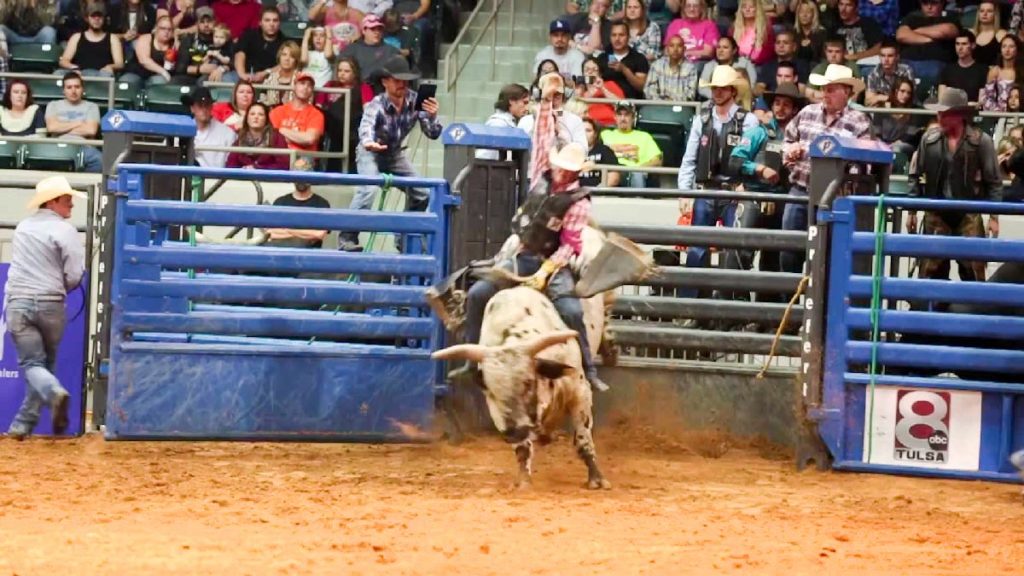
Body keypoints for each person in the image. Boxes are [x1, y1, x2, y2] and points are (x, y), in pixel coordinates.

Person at [447, 143, 610, 393]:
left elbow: (569, 244)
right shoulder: (542, 178)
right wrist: (545, 103)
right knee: (478, 294)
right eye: (562, 168)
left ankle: (588, 370)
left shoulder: (578, 202)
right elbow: (542, 135)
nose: (563, 173)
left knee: (572, 311)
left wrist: (547, 270)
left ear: (577, 173)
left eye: (570, 171)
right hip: (521, 254)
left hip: (553, 260)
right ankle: (473, 361)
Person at [4, 175, 86, 440]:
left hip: (19, 300)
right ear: (53, 202)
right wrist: (62, 286)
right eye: (67, 201)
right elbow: (75, 273)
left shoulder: (23, 228)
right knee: (43, 366)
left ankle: (24, 423)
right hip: (50, 302)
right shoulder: (65, 231)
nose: (71, 206)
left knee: (33, 365)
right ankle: (30, 417)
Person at [338, 56, 441, 252]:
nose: (402, 84)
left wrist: (433, 116)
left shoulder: (415, 100)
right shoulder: (376, 104)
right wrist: (369, 142)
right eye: (397, 80)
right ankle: (347, 239)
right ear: (385, 82)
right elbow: (365, 128)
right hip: (370, 151)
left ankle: (403, 235)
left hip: (393, 152)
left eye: (405, 80)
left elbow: (432, 133)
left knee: (422, 193)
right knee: (368, 189)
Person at [781, 64, 871, 274]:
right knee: (789, 251)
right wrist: (790, 150)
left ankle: (823, 305)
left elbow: (865, 164)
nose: (825, 94)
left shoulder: (859, 122)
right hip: (800, 191)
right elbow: (786, 141)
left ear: (847, 92)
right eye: (824, 89)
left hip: (835, 199)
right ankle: (790, 300)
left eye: (831, 89)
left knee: (830, 257)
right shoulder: (807, 113)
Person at [907, 88, 1002, 283]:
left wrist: (994, 216)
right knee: (929, 273)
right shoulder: (928, 139)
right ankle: (929, 309)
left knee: (974, 272)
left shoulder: (981, 142)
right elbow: (915, 174)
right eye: (939, 112)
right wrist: (911, 211)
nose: (939, 116)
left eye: (944, 113)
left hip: (969, 211)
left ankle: (974, 311)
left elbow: (993, 180)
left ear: (958, 115)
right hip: (936, 210)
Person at [726, 81, 805, 310]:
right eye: (777, 103)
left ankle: (767, 314)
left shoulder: (799, 139)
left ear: (794, 109)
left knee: (775, 259)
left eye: (786, 104)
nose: (780, 108)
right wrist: (759, 169)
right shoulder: (759, 132)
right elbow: (734, 160)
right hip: (755, 197)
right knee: (741, 253)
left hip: (783, 201)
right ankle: (735, 311)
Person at [265, 157, 332, 248]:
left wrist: (287, 231)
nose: (300, 180)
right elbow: (272, 233)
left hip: (309, 255)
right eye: (297, 175)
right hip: (281, 252)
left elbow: (319, 235)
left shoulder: (321, 204)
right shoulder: (281, 202)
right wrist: (305, 234)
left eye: (304, 174)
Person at [44, 72, 102, 173]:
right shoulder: (53, 105)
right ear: (63, 90)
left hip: (84, 146)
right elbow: (52, 128)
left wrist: (62, 128)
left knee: (99, 160)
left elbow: (91, 130)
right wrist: (78, 123)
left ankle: (86, 186)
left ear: (82, 89)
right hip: (58, 145)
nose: (73, 91)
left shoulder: (92, 106)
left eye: (77, 87)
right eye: (69, 87)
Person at [517, 72, 587, 150]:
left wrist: (560, 133)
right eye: (548, 96)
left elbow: (582, 151)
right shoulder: (526, 121)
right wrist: (536, 125)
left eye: (556, 96)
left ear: (563, 96)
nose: (552, 100)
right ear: (540, 96)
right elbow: (520, 148)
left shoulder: (574, 120)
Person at [895, 0, 958, 86]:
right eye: (925, 3)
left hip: (936, 62)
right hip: (907, 61)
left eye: (934, 3)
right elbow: (901, 35)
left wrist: (914, 32)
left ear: (942, 3)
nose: (929, 7)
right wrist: (930, 39)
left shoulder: (950, 17)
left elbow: (943, 32)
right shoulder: (912, 17)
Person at [600, 101, 661, 187]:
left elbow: (657, 160)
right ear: (615, 117)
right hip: (610, 171)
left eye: (627, 115)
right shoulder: (605, 134)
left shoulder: (644, 136)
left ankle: (637, 199)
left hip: (633, 172)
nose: (623, 118)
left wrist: (640, 169)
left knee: (637, 174)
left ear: (633, 118)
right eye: (619, 115)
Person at [59, 2, 124, 77]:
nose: (97, 19)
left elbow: (120, 63)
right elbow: (64, 60)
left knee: (106, 75)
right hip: (79, 75)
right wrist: (73, 67)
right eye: (93, 16)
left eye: (100, 16)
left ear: (104, 18)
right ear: (87, 18)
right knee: (59, 73)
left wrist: (110, 67)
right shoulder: (77, 37)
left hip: (102, 75)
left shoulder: (112, 38)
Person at [269, 71, 325, 151]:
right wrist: (299, 138)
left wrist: (282, 130)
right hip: (279, 156)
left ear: (312, 90)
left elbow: (309, 139)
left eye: (309, 85)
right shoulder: (277, 111)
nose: (306, 87)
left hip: (304, 158)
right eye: (302, 83)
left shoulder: (316, 114)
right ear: (294, 86)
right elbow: (271, 137)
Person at [183, 86, 236, 168]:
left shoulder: (227, 133)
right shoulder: (182, 130)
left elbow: (231, 164)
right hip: (186, 177)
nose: (204, 109)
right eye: (200, 105)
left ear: (211, 107)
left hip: (216, 178)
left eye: (207, 105)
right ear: (192, 108)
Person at [226, 102, 289, 170]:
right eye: (252, 114)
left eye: (261, 114)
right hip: (245, 178)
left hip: (269, 178)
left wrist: (258, 168)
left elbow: (284, 165)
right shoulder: (240, 138)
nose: (256, 117)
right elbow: (230, 165)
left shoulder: (276, 137)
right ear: (247, 118)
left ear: (266, 119)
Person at [233, 7, 287, 84]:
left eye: (275, 20)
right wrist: (242, 74)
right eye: (267, 20)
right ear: (260, 23)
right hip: (245, 75)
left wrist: (266, 73)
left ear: (279, 23)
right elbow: (239, 55)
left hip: (271, 78)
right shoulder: (249, 35)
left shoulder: (285, 42)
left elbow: (284, 64)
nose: (271, 24)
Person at [476, 83, 530, 161]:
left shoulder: (510, 123)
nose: (526, 108)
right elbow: (485, 156)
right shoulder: (498, 124)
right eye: (524, 103)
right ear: (512, 101)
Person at [698, 36, 756, 101]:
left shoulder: (745, 64)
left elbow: (751, 86)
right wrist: (719, 96)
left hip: (740, 101)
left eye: (725, 47)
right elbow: (702, 88)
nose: (720, 50)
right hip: (714, 101)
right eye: (718, 47)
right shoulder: (709, 66)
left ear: (734, 50)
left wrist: (733, 97)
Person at [938, 30, 989, 104]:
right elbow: (941, 99)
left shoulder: (982, 70)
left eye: (964, 44)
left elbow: (981, 101)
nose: (960, 48)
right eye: (957, 44)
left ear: (973, 45)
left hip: (973, 112)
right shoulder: (947, 70)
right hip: (951, 112)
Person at [644, 34, 698, 102]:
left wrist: (672, 102)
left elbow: (690, 95)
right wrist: (662, 102)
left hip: (682, 107)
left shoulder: (691, 68)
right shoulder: (656, 65)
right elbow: (649, 90)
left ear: (684, 49)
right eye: (672, 46)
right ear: (667, 49)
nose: (675, 49)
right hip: (658, 105)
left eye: (679, 46)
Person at [864, 39, 915, 107]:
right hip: (883, 112)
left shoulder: (906, 71)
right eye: (883, 55)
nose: (886, 59)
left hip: (906, 110)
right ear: (879, 57)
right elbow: (869, 101)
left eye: (890, 56)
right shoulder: (873, 74)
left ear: (897, 57)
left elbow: (907, 98)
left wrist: (880, 97)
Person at [576, 56, 625, 126]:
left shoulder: (610, 85)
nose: (590, 72)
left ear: (600, 74)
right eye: (586, 70)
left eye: (594, 70)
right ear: (583, 74)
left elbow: (622, 106)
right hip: (588, 126)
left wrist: (602, 88)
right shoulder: (581, 92)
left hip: (610, 124)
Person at [580, 117, 621, 187]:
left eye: (588, 130)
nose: (584, 134)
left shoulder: (605, 151)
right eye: (580, 130)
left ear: (595, 134)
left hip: (599, 194)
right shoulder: (569, 151)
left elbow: (614, 178)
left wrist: (598, 191)